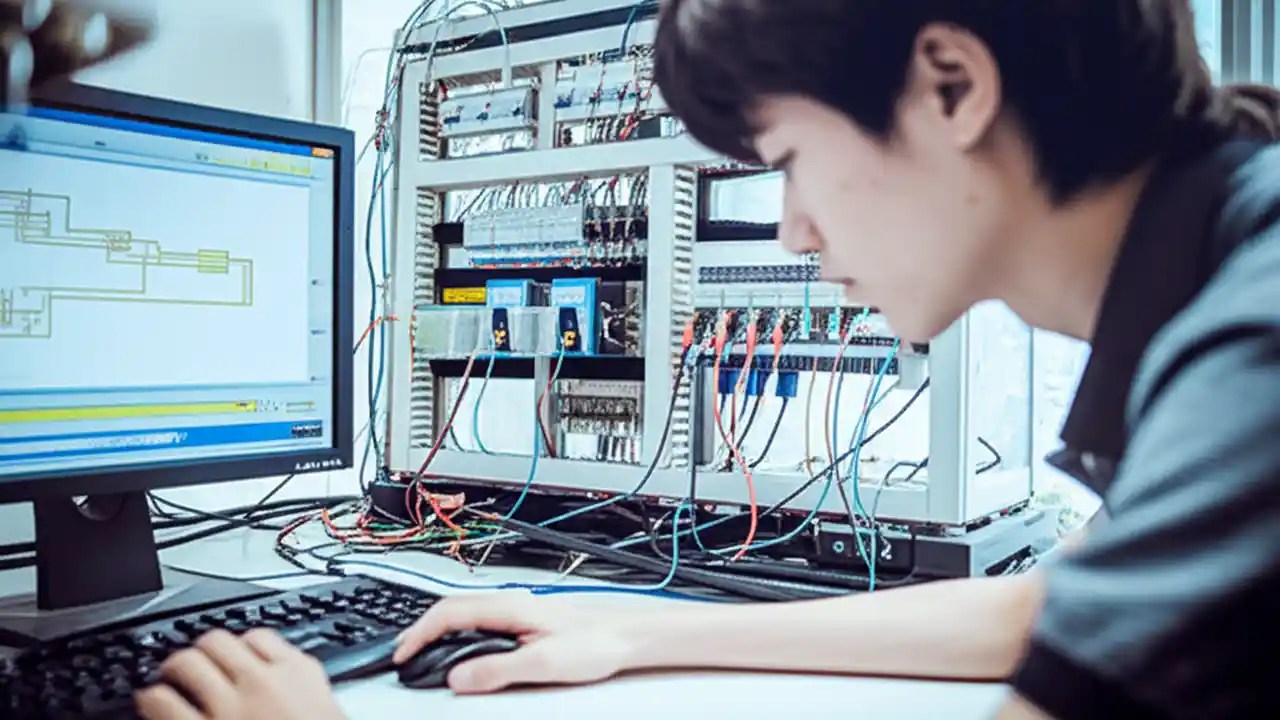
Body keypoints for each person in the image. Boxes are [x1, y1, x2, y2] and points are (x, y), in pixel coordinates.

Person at [134, 1, 1280, 719]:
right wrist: (630, 631)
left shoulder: (1255, 346)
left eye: (784, 156)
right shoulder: (1229, 256)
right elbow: (1053, 613)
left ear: (951, 85)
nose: (788, 228)